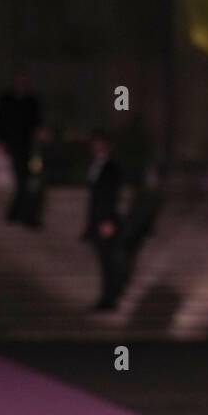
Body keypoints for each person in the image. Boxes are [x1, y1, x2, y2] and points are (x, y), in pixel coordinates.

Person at [82, 128, 126, 311]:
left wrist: (107, 221)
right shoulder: (94, 164)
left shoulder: (111, 167)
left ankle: (109, 299)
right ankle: (107, 297)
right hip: (97, 219)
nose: (96, 147)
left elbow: (111, 196)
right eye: (95, 143)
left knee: (108, 262)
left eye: (100, 143)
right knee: (105, 262)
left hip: (106, 220)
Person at [0, 70, 43, 226]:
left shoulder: (32, 100)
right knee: (23, 179)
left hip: (29, 146)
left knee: (27, 179)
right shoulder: (6, 99)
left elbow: (37, 122)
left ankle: (17, 213)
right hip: (14, 145)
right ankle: (20, 214)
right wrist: (1, 141)